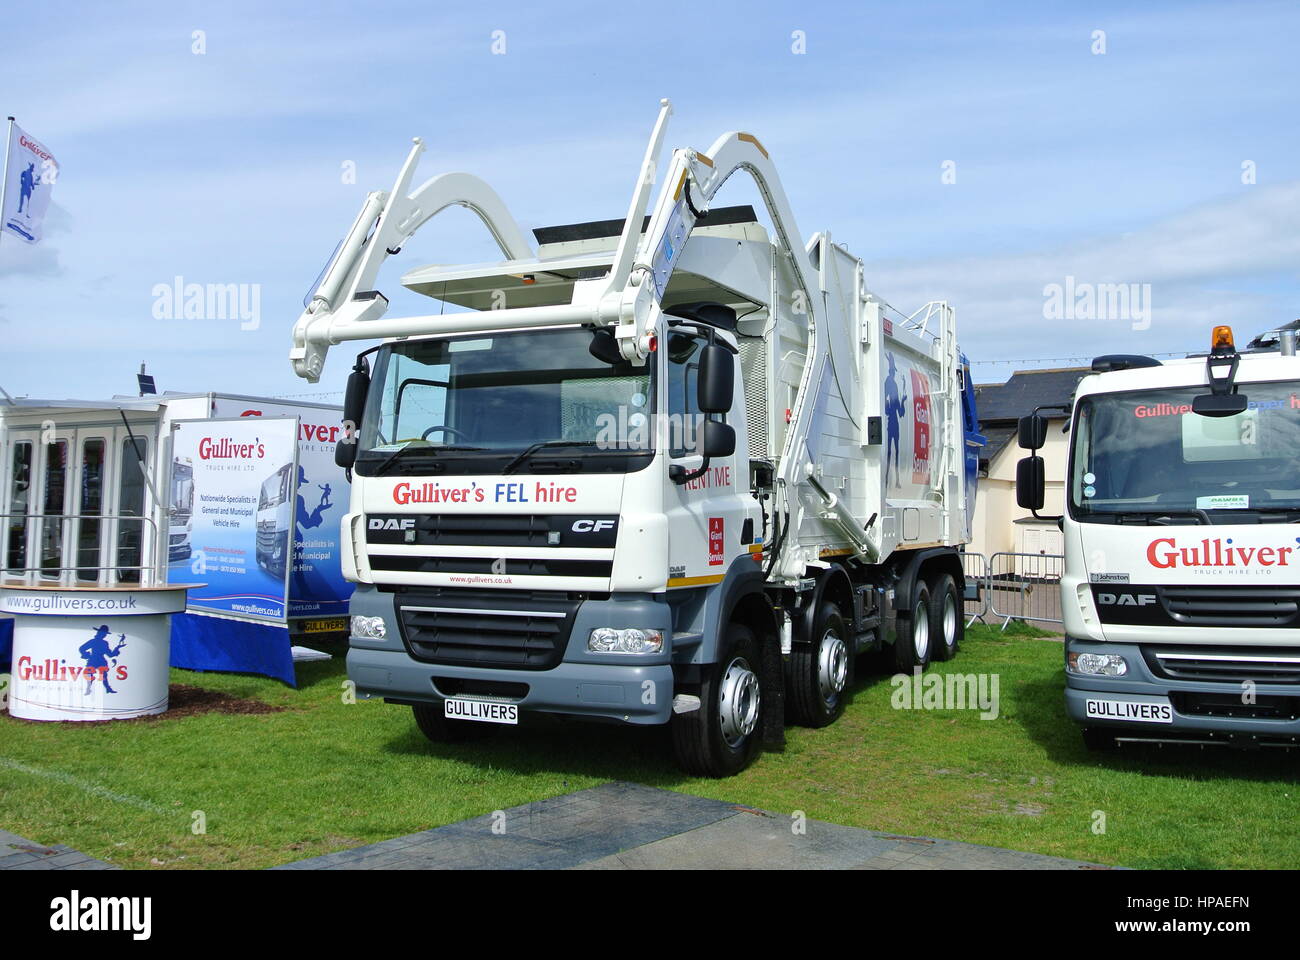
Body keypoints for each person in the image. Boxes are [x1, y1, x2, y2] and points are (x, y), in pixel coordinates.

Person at [79, 625, 125, 695]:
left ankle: (107, 689)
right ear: (99, 633)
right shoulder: (93, 641)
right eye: (103, 634)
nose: (104, 635)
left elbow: (110, 654)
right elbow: (82, 648)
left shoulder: (104, 643)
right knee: (90, 674)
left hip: (99, 660)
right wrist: (86, 655)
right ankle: (88, 689)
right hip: (93, 659)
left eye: (105, 634)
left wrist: (117, 648)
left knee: (104, 676)